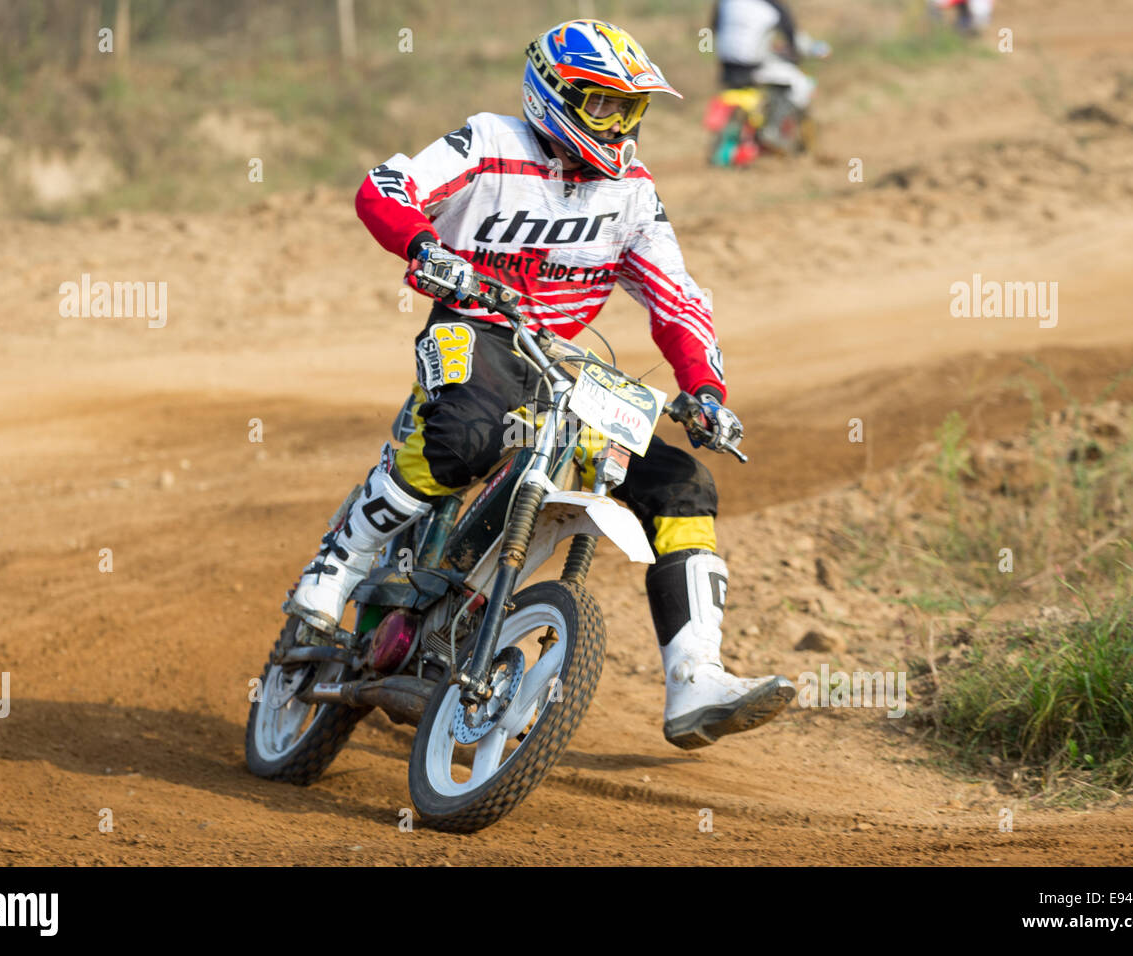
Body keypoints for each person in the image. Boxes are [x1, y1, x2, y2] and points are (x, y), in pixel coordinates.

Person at [286, 18, 796, 749]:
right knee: (467, 436)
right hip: (474, 327)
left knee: (683, 486)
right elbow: (384, 189)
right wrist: (427, 247)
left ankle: (696, 679)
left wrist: (706, 390)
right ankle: (343, 559)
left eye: (630, 110)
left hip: (565, 362)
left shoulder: (633, 194)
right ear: (555, 93)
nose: (619, 125)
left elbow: (677, 297)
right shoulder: (491, 142)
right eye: (603, 106)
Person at [712, 0, 817, 118]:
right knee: (801, 84)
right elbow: (794, 40)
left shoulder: (725, 3)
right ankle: (773, 128)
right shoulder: (773, 7)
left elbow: (714, 28)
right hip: (753, 66)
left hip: (726, 65)